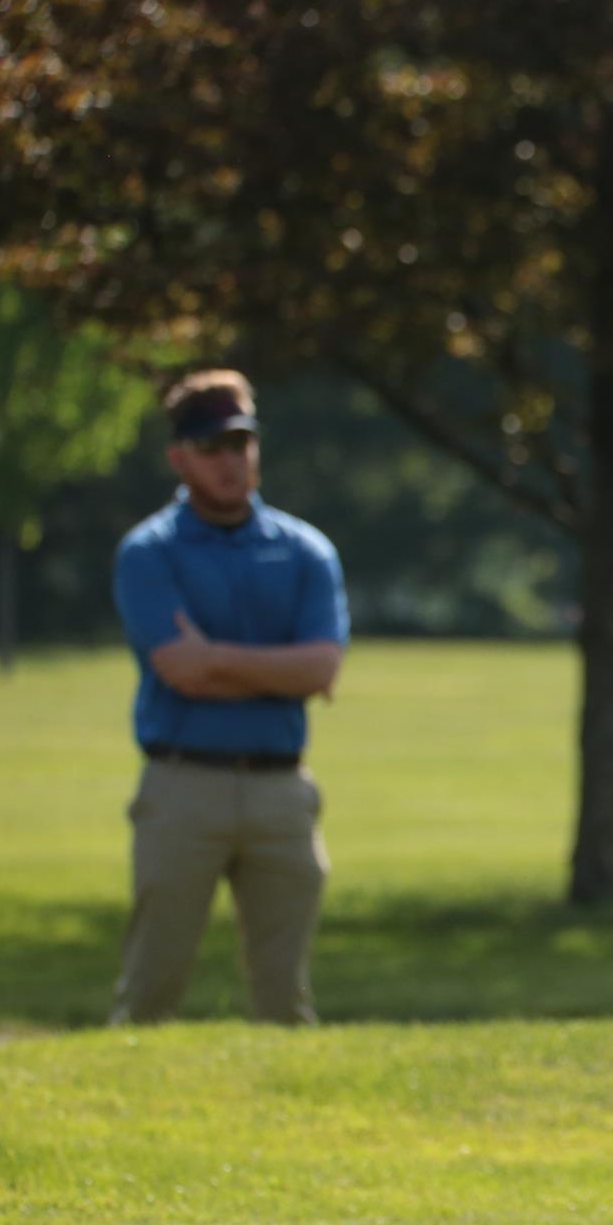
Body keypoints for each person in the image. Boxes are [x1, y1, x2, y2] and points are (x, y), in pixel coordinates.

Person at [108, 372, 348, 1025]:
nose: (230, 461)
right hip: (182, 787)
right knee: (151, 988)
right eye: (212, 447)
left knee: (286, 1000)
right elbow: (180, 673)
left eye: (241, 443)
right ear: (179, 457)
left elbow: (322, 668)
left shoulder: (305, 551)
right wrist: (276, 669)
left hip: (281, 790)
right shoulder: (149, 552)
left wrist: (214, 656)